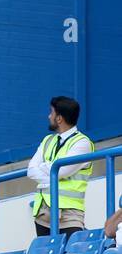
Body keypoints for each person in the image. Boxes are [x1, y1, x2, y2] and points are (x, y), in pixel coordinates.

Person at [27, 96, 93, 237]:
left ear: (59, 119)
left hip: (69, 216)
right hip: (43, 215)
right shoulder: (48, 140)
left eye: (51, 113)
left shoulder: (82, 143)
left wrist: (44, 168)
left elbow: (61, 171)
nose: (49, 116)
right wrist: (51, 171)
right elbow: (31, 170)